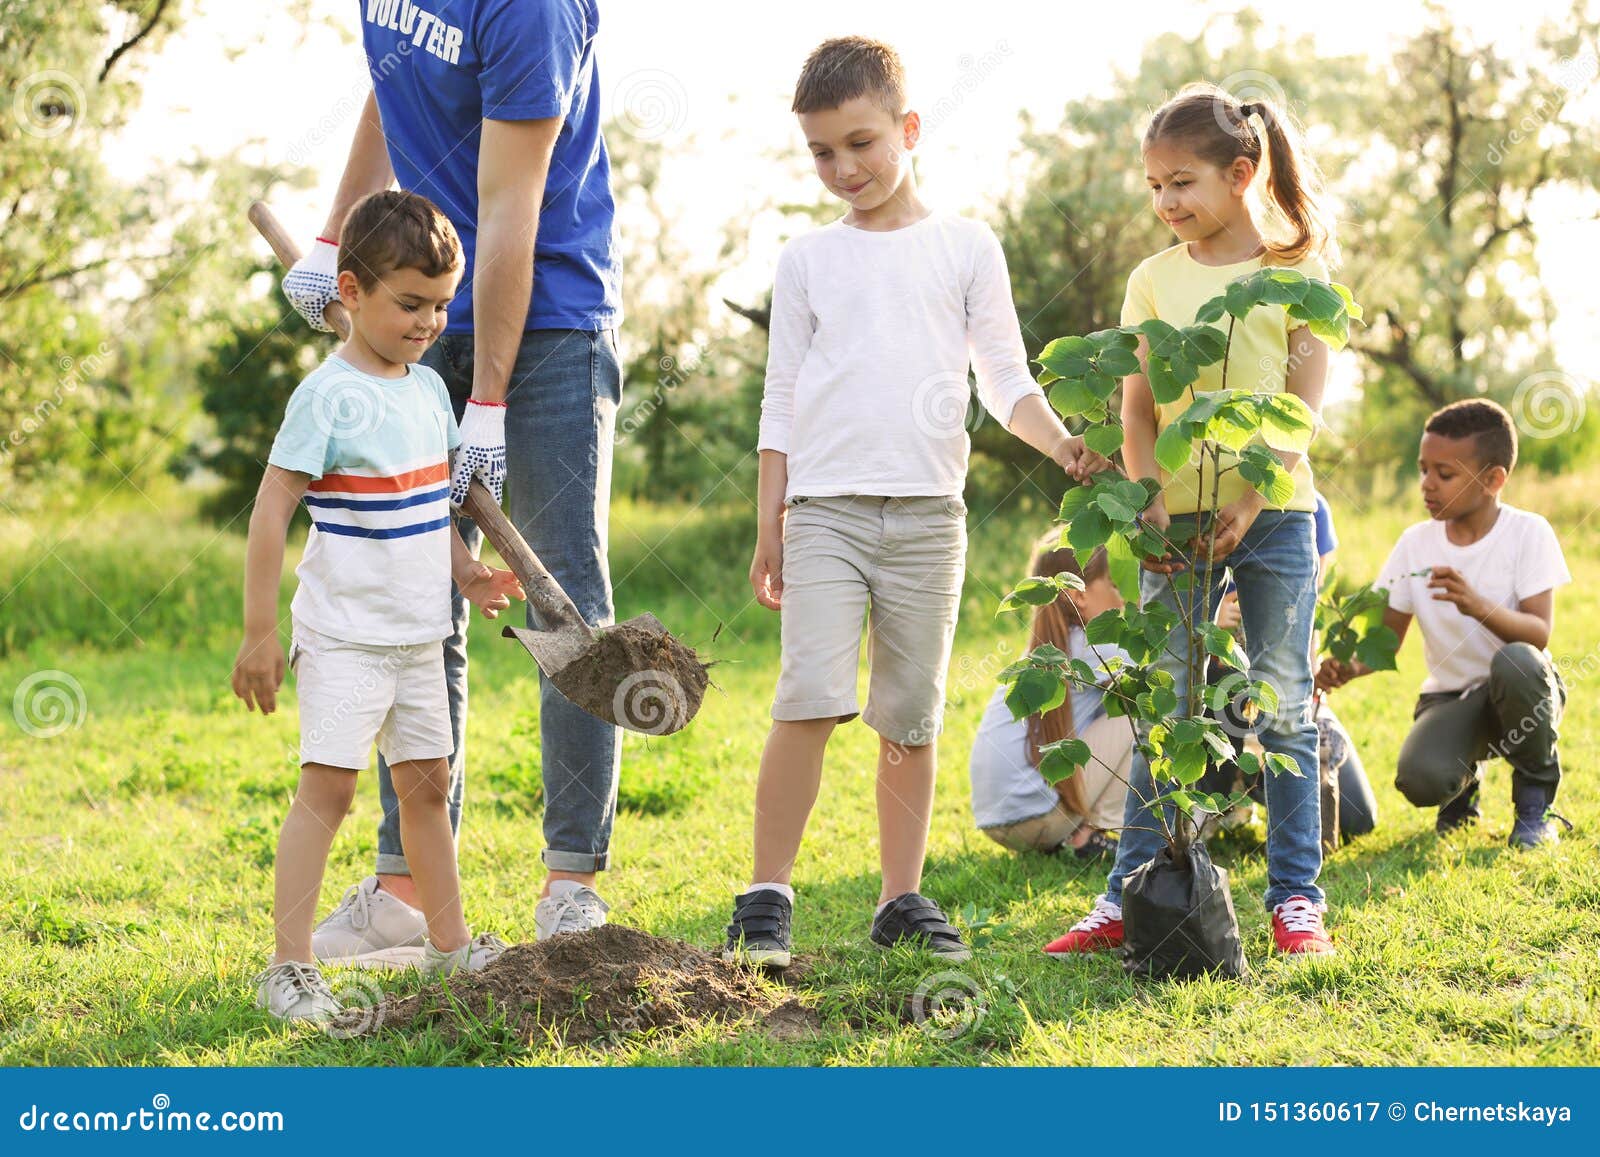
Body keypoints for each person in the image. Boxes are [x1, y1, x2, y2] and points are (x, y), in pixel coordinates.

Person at [723, 37, 1109, 970]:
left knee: (910, 714)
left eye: (860, 143)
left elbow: (1005, 380)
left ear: (909, 128)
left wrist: (1060, 441)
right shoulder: (808, 259)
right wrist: (769, 519)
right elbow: (781, 398)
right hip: (824, 511)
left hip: (930, 517)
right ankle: (767, 897)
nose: (842, 168)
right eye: (821, 152)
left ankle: (901, 898)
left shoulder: (965, 246)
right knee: (809, 697)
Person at [278, 1, 624, 962]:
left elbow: (513, 203)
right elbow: (394, 91)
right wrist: (333, 242)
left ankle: (571, 885)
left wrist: (487, 404)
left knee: (560, 588)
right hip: (418, 298)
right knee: (416, 580)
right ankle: (404, 892)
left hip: (547, 310)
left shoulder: (530, 8)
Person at [1046, 82, 1343, 959]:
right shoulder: (1152, 279)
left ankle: (1296, 901)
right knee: (1164, 708)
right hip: (1173, 526)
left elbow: (1303, 406)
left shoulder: (1296, 274)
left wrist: (1250, 500)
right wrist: (1143, 497)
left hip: (1277, 514)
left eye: (1182, 183)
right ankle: (1125, 897)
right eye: (1154, 187)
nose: (1167, 202)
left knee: (1285, 705)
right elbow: (1137, 406)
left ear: (1240, 173)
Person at [232, 192, 525, 1020]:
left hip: (418, 635)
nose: (429, 321)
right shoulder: (324, 396)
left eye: (440, 305)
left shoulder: (430, 394)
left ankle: (450, 946)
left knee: (427, 788)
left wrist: (465, 571)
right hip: (346, 636)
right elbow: (269, 511)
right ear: (351, 292)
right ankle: (290, 967)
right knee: (327, 791)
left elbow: (427, 507)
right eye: (409, 303)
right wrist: (259, 633)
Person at [1318, 399, 1572, 848]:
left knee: (1517, 661)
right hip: (1452, 697)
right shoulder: (1415, 544)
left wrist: (1478, 605)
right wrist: (1346, 668)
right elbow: (1386, 645)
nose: (1427, 485)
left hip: (1524, 690)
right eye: (1423, 470)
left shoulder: (1528, 533)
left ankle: (1535, 808)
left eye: (1445, 474)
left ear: (1493, 480)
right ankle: (1461, 786)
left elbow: (1539, 634)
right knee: (1420, 779)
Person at [969, 537, 1132, 860]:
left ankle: (1082, 830)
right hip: (1040, 820)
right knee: (1141, 713)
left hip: (996, 823)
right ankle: (1094, 833)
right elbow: (1171, 668)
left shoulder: (1048, 651)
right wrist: (1209, 621)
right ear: (1079, 596)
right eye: (1114, 585)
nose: (1124, 597)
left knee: (1116, 705)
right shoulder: (1095, 647)